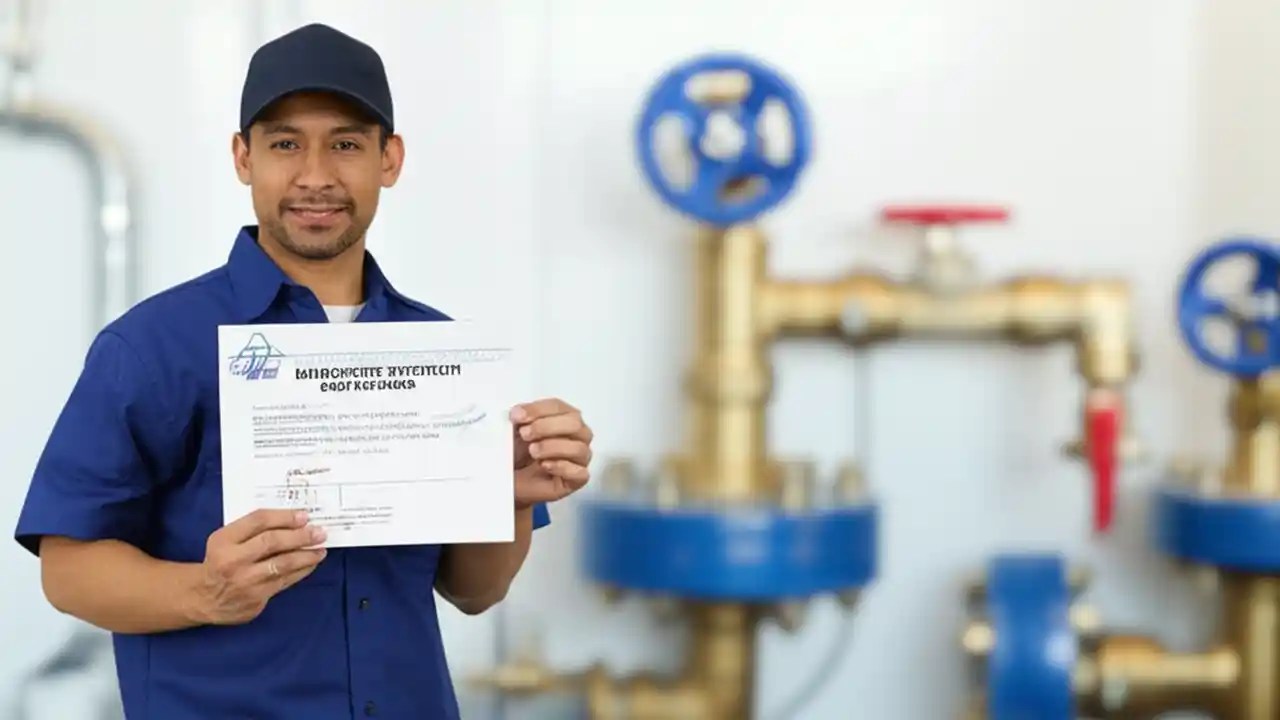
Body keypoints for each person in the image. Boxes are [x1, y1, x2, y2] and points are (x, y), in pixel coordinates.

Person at [12, 22, 593, 720]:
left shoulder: (437, 354)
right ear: (242, 157)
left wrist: (512, 496)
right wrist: (208, 591)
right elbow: (67, 568)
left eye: (345, 144)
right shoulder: (153, 347)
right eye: (285, 143)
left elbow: (473, 591)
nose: (315, 176)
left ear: (390, 159)